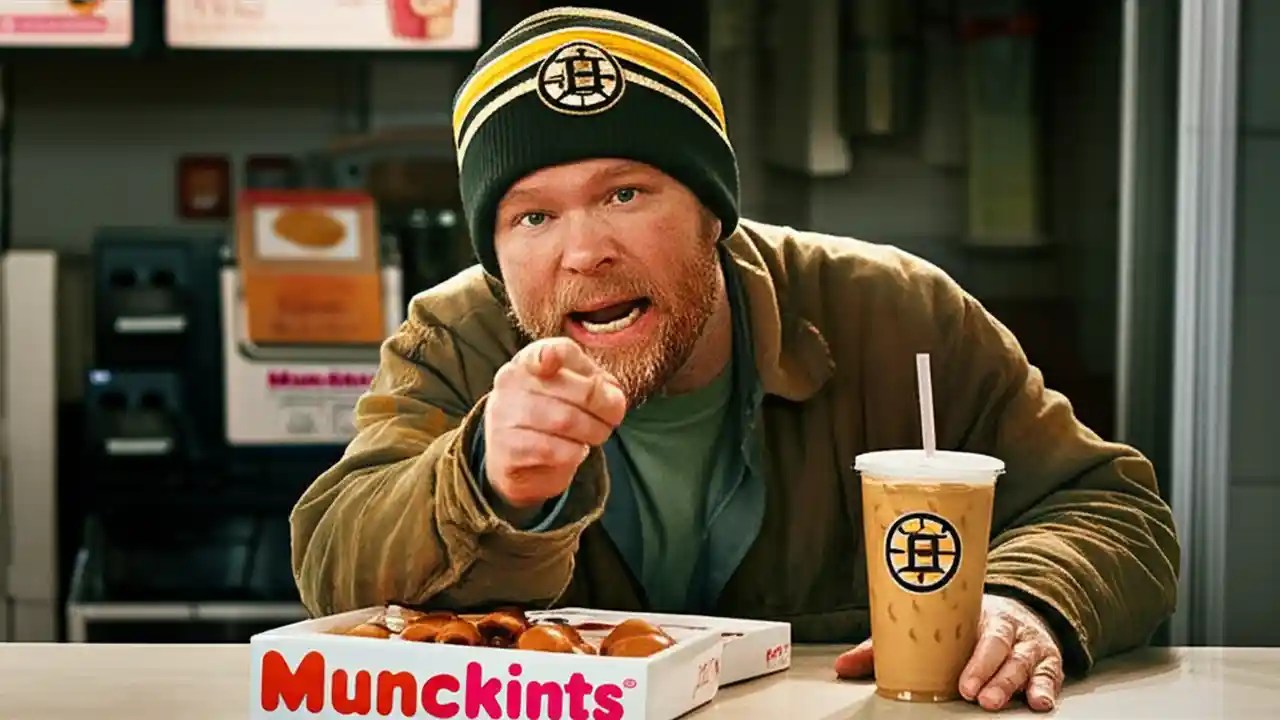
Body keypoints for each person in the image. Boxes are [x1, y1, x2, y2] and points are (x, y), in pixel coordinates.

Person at [290, 6, 1180, 714]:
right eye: (532, 216)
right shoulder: (456, 337)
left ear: (714, 213)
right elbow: (334, 564)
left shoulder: (890, 311)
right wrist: (482, 478)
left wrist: (1028, 603)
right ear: (494, 249)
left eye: (626, 192)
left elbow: (1114, 511)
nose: (583, 251)